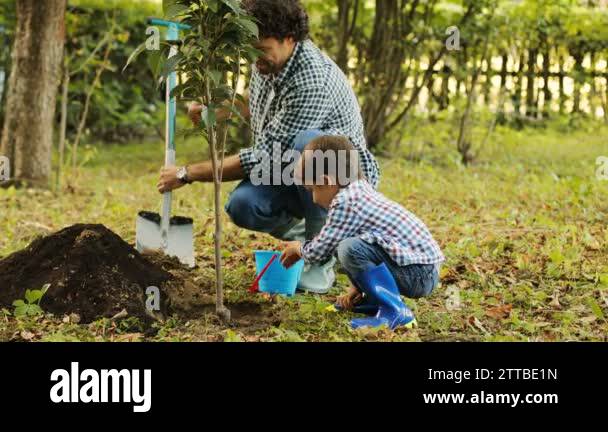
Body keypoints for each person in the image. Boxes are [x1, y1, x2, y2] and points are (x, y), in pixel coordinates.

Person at [157, 0, 379, 294]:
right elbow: (254, 100)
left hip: (341, 181)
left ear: (290, 39)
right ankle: (322, 238)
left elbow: (266, 157)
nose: (254, 57)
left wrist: (187, 173)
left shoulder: (312, 79)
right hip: (292, 171)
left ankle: (321, 261)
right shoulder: (268, 60)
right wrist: (218, 109)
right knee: (243, 205)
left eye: (261, 49)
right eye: (250, 49)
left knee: (308, 145)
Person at [280, 136, 444, 330]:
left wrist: (299, 248)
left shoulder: (345, 203)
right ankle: (374, 301)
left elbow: (320, 251)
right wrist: (357, 288)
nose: (313, 199)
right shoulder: (358, 191)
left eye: (312, 189)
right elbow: (373, 249)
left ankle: (396, 312)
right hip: (420, 269)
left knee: (348, 247)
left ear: (326, 181)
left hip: (418, 273)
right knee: (348, 244)